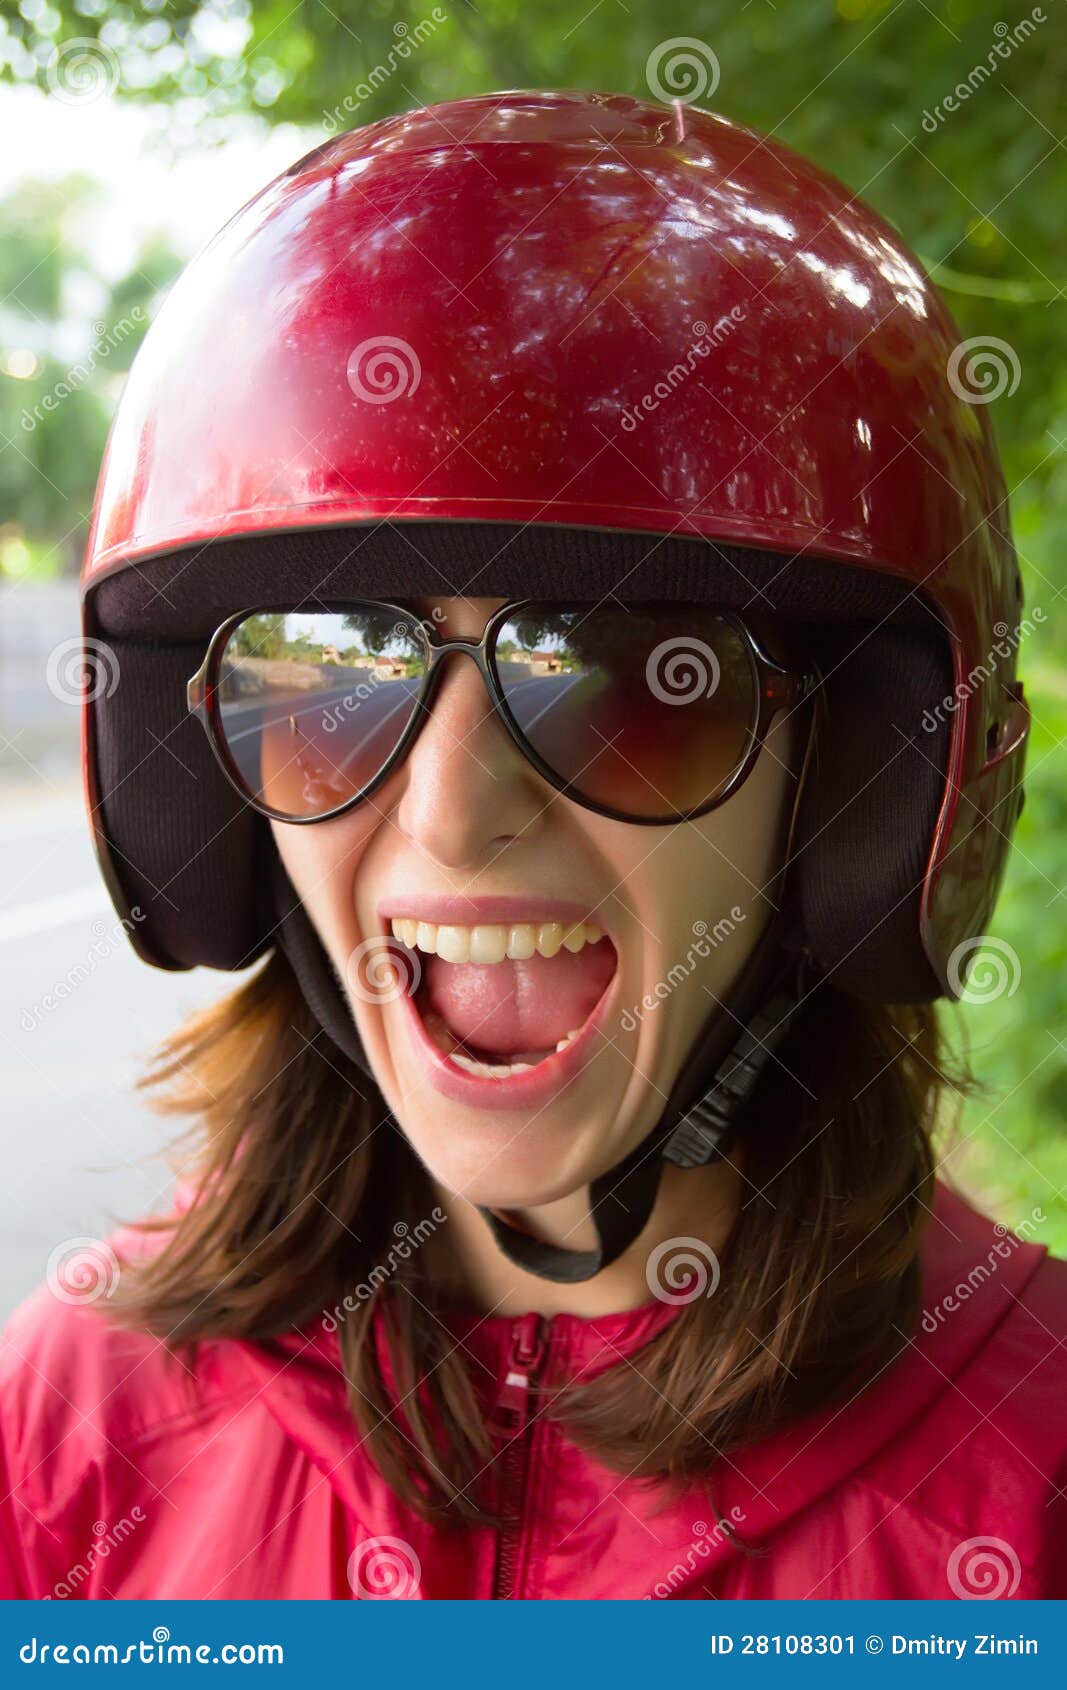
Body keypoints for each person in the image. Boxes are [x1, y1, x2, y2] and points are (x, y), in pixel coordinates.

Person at [1, 90, 1063, 1602]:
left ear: (845, 783)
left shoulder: (1031, 1483)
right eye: (332, 671)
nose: (452, 810)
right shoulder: (72, 1435)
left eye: (625, 673)